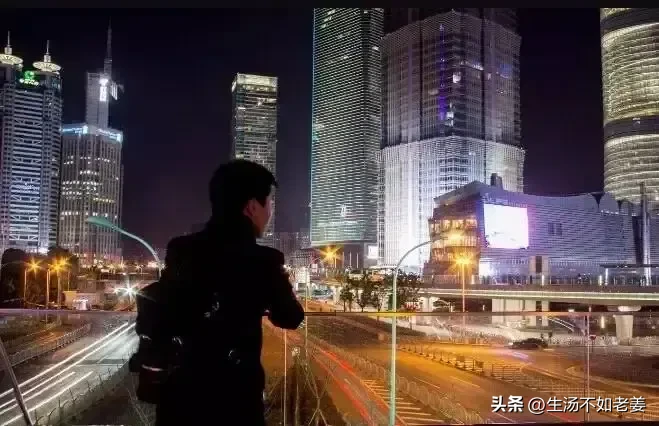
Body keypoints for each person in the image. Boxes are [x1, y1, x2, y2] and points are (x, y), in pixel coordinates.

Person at [134, 159, 304, 426]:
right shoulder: (264, 260)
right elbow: (291, 317)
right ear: (252, 206)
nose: (270, 212)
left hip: (179, 398)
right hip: (235, 400)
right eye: (269, 203)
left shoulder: (181, 249)